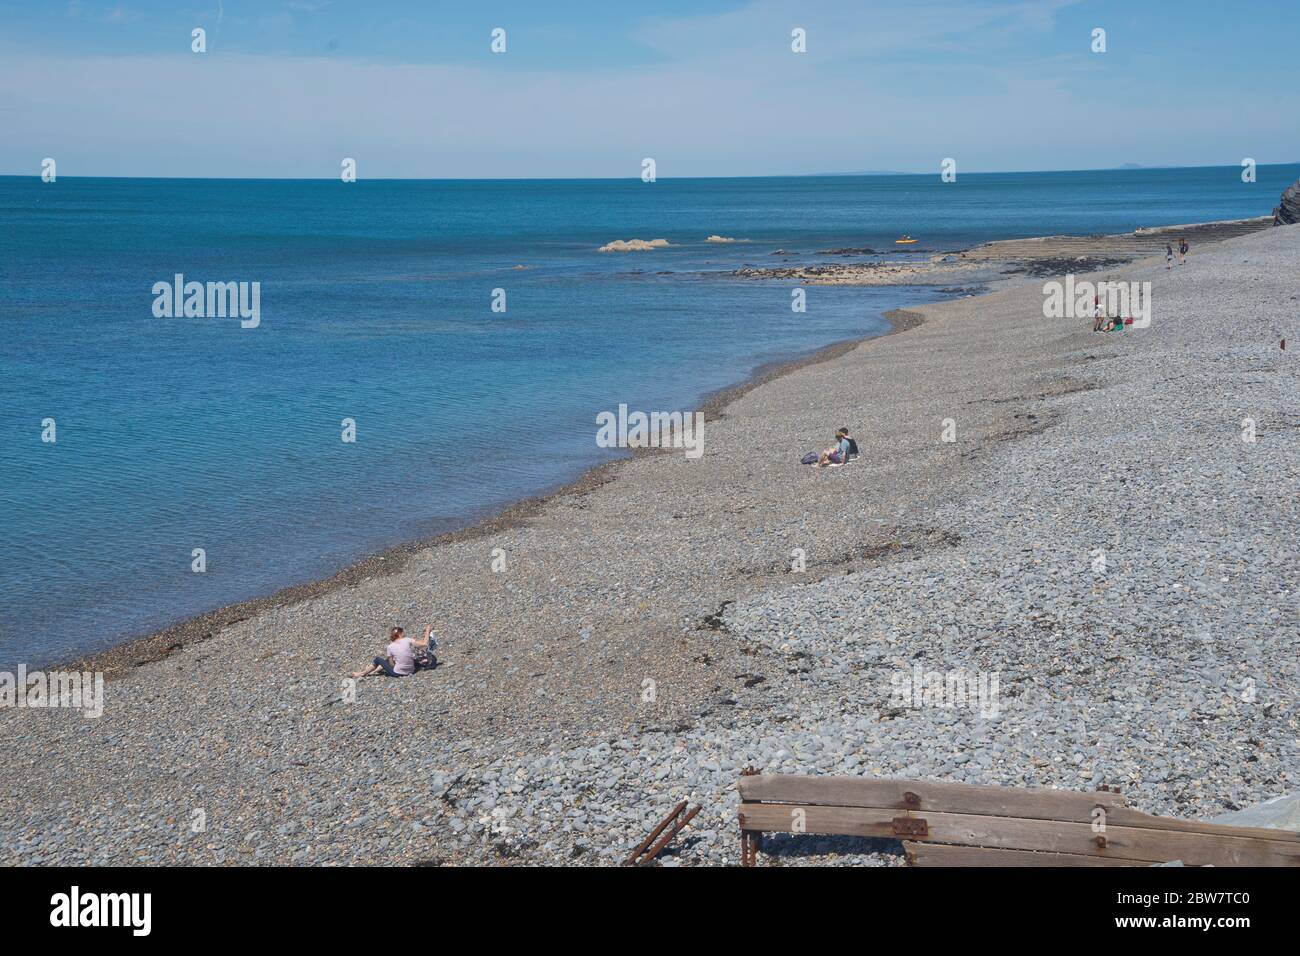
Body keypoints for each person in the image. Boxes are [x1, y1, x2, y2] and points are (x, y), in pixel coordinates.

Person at [350, 625, 435, 679]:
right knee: (395, 658)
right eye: (403, 632)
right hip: (411, 671)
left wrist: (395, 661)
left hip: (398, 673)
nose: (404, 633)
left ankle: (363, 673)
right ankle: (373, 671)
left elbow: (391, 664)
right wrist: (427, 631)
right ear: (400, 634)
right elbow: (424, 644)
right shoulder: (407, 640)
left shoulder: (390, 647)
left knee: (378, 659)